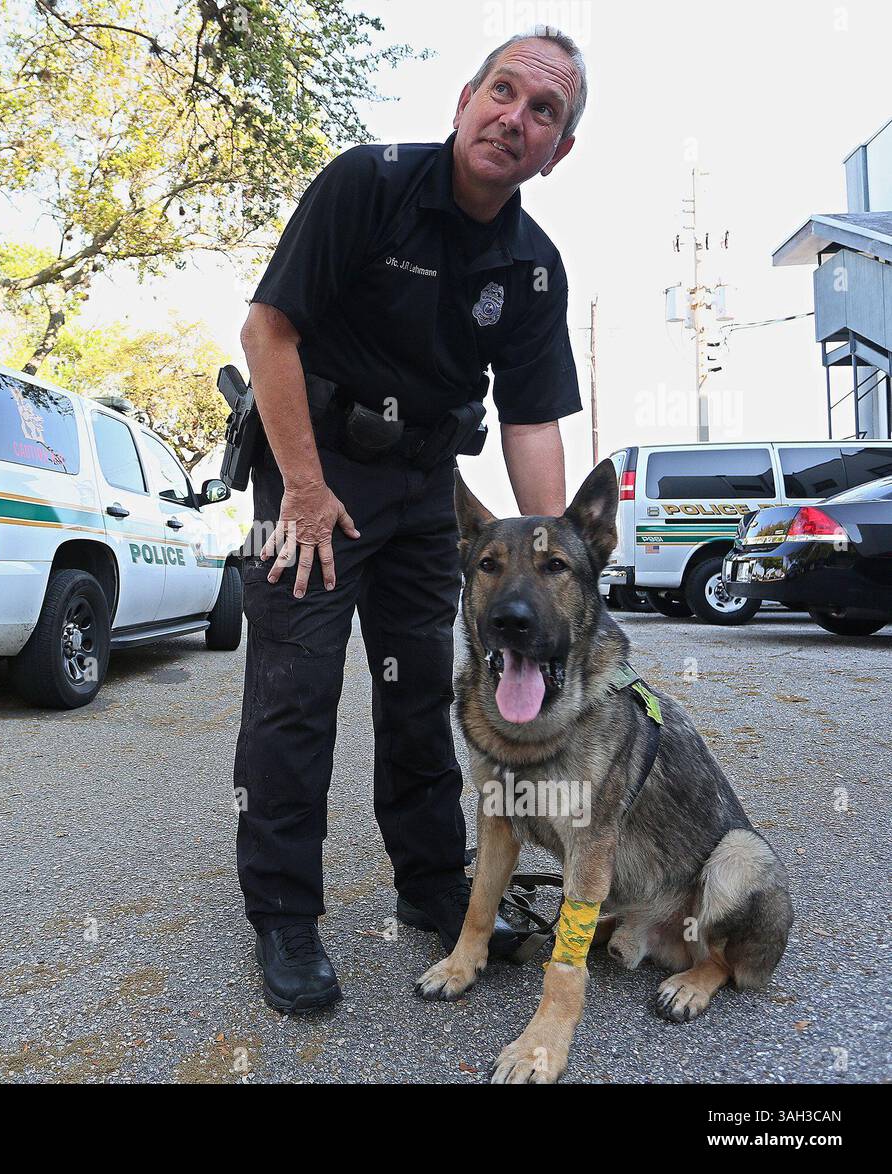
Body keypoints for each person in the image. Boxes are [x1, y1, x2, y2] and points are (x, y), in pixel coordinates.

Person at [233, 27, 588, 1012]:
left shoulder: (532, 269)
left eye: (543, 112)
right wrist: (302, 491)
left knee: (419, 685)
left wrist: (555, 569)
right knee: (294, 692)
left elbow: (529, 422)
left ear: (557, 151)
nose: (515, 118)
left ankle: (435, 886)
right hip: (314, 465)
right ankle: (283, 914)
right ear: (464, 99)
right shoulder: (367, 184)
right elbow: (268, 330)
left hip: (427, 484)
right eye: (503, 93)